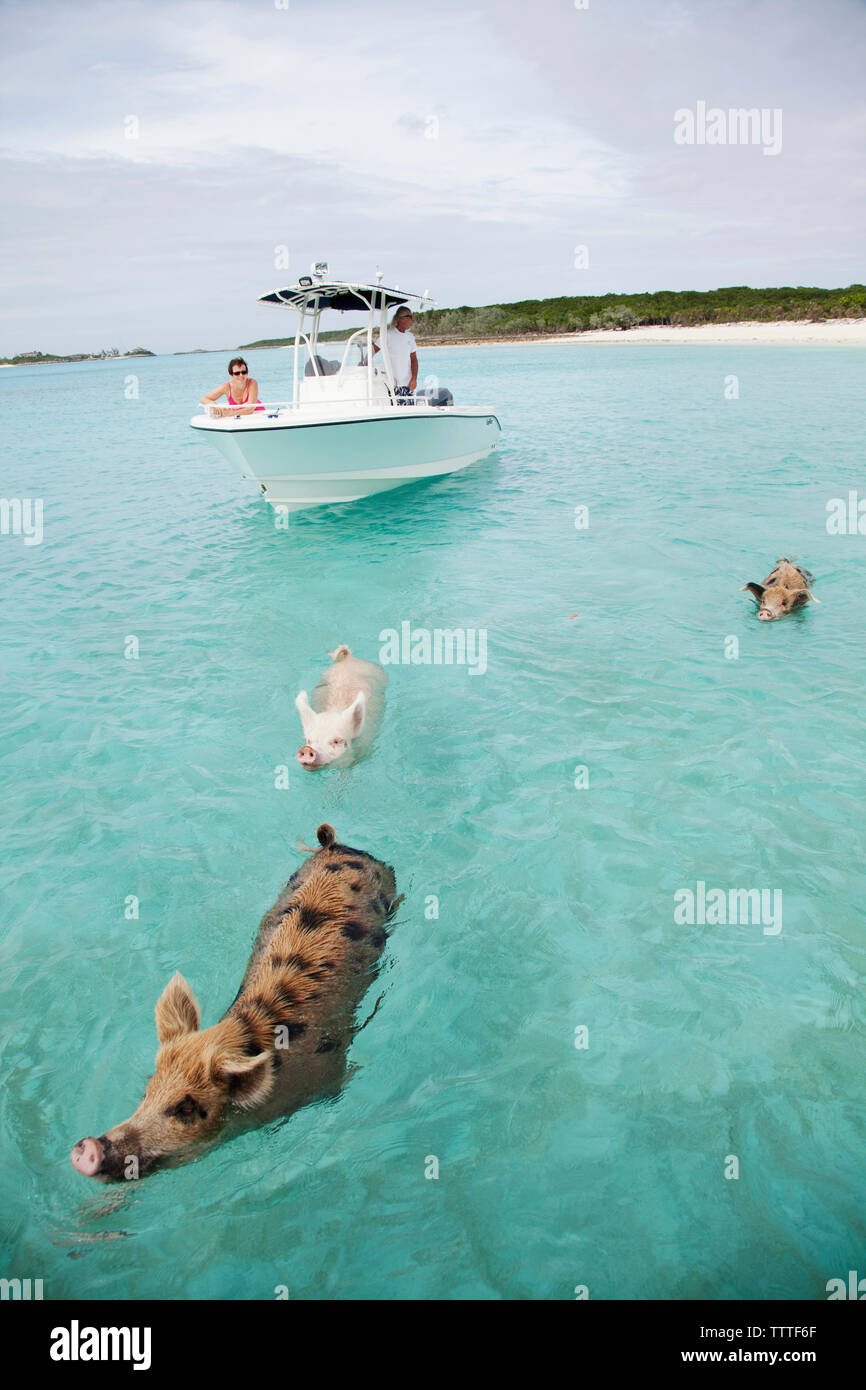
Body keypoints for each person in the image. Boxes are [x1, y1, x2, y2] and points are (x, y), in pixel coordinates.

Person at [373, 306, 418, 400]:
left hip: (408, 385)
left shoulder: (410, 337)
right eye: (409, 316)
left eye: (411, 316)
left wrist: (414, 379)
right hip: (392, 385)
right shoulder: (388, 334)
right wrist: (366, 364)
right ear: (400, 318)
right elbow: (373, 350)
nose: (412, 319)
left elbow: (414, 360)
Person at [200, 358, 265, 416]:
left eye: (244, 372)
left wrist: (228, 413)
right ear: (231, 374)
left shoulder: (252, 383)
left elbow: (250, 409)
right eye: (237, 373)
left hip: (257, 415)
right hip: (239, 419)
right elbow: (203, 399)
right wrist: (213, 404)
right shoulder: (226, 387)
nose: (241, 375)